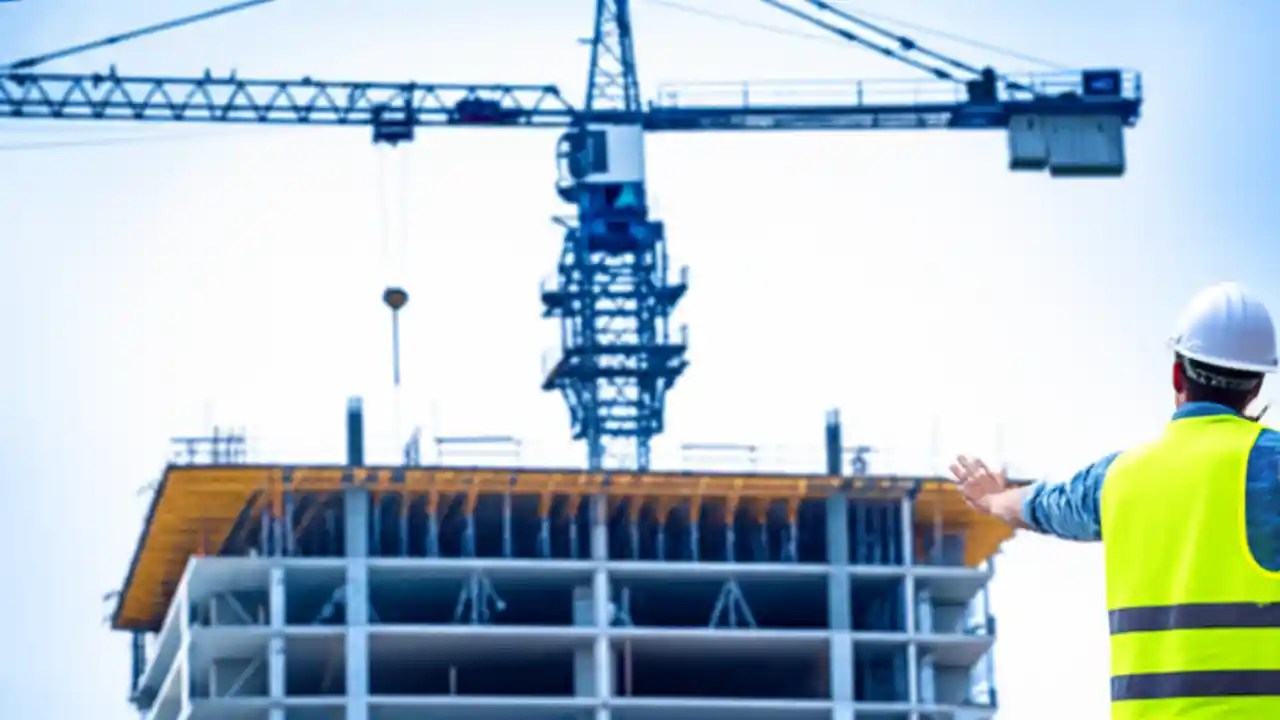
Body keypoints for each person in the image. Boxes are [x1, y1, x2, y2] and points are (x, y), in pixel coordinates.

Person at [950, 281, 1280, 719]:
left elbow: (1045, 505)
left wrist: (994, 498)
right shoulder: (1271, 467)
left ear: (1177, 375)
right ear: (1256, 386)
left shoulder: (1117, 477)